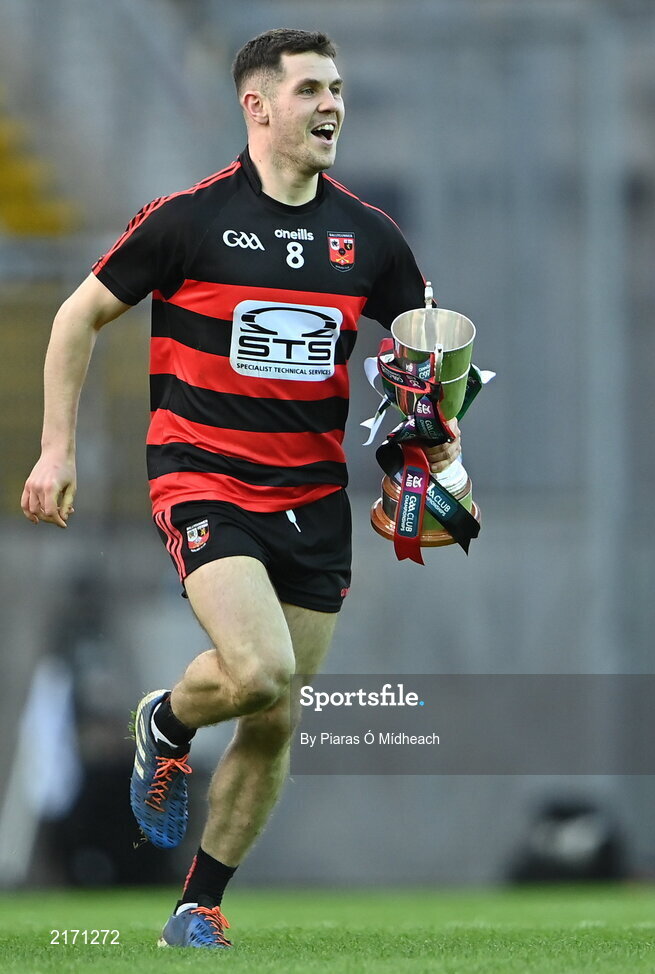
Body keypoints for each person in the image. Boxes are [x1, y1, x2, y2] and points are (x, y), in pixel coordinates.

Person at [21, 28, 460, 949]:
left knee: (279, 713)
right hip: (203, 476)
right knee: (257, 670)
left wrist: (436, 452)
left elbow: (427, 357)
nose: (331, 105)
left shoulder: (369, 237)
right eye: (309, 90)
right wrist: (56, 451)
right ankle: (168, 718)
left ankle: (198, 907)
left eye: (336, 88)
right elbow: (75, 316)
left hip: (312, 498)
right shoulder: (188, 220)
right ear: (257, 107)